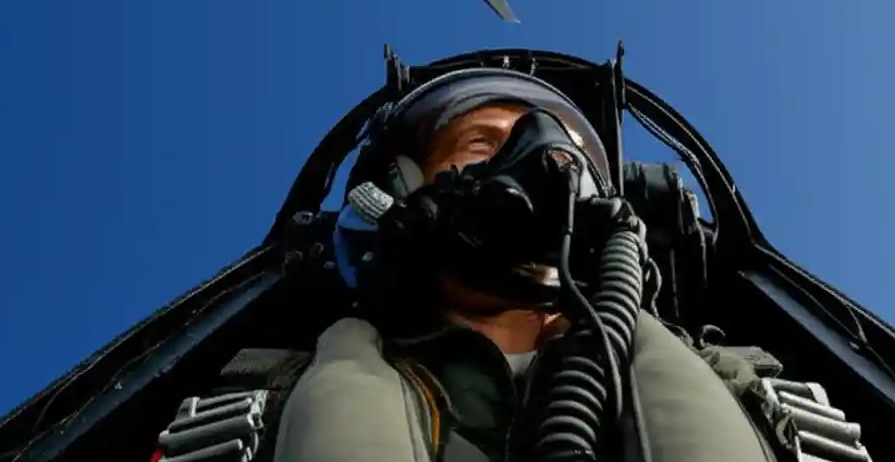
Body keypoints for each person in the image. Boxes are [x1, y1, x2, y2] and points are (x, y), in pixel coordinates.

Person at [271, 70, 783, 462]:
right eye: (481, 143)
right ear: (402, 190)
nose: (544, 160)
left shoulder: (747, 391)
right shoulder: (271, 402)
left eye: (569, 156)